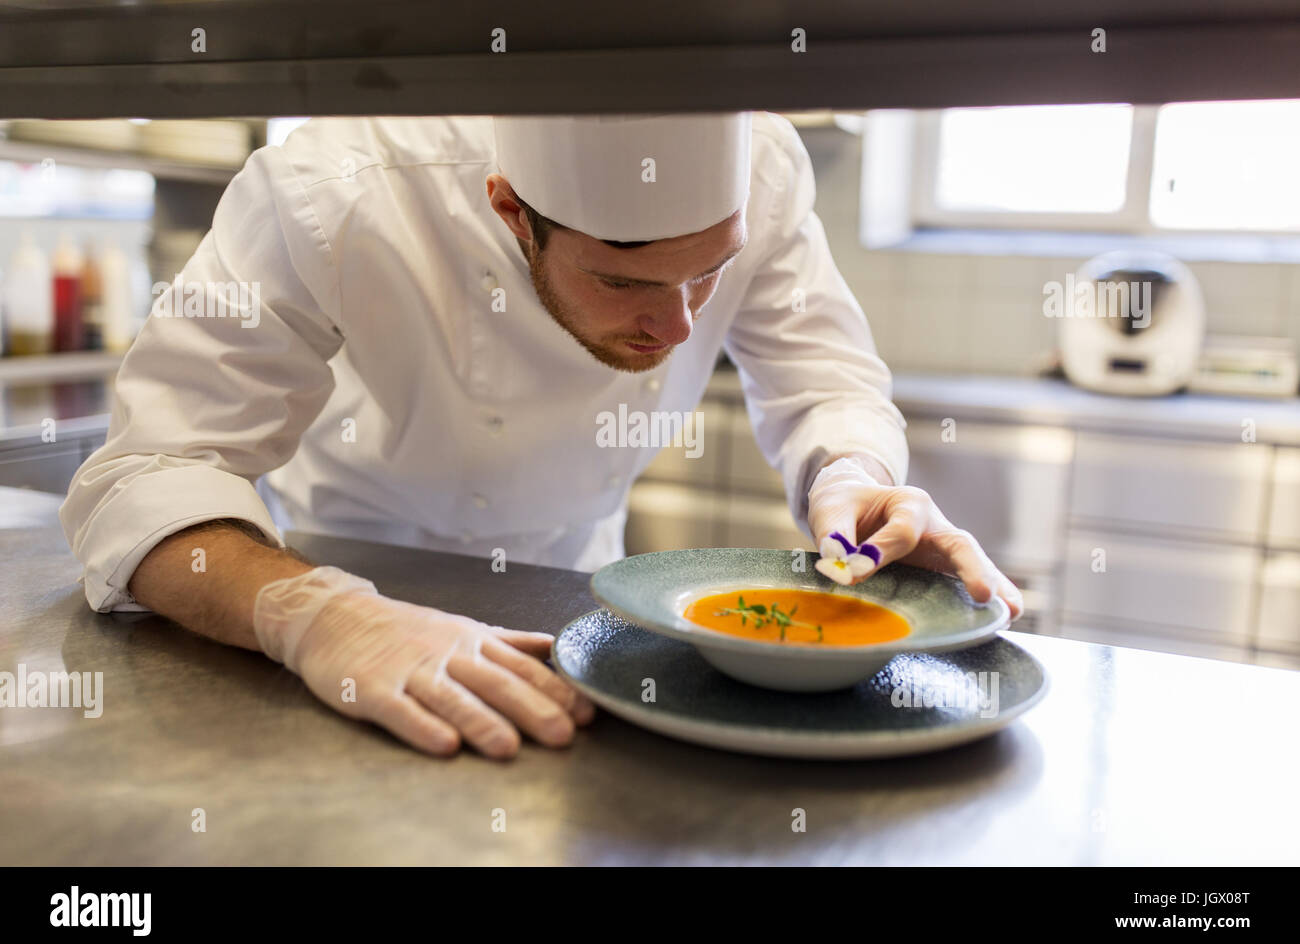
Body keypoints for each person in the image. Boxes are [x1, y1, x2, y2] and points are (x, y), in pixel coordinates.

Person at [61, 112, 1023, 759]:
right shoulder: (333, 188)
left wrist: (849, 477)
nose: (682, 329)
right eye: (625, 282)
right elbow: (146, 474)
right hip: (344, 601)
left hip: (582, 606)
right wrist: (317, 617)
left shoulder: (763, 164)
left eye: (708, 276)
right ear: (513, 212)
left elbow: (824, 381)